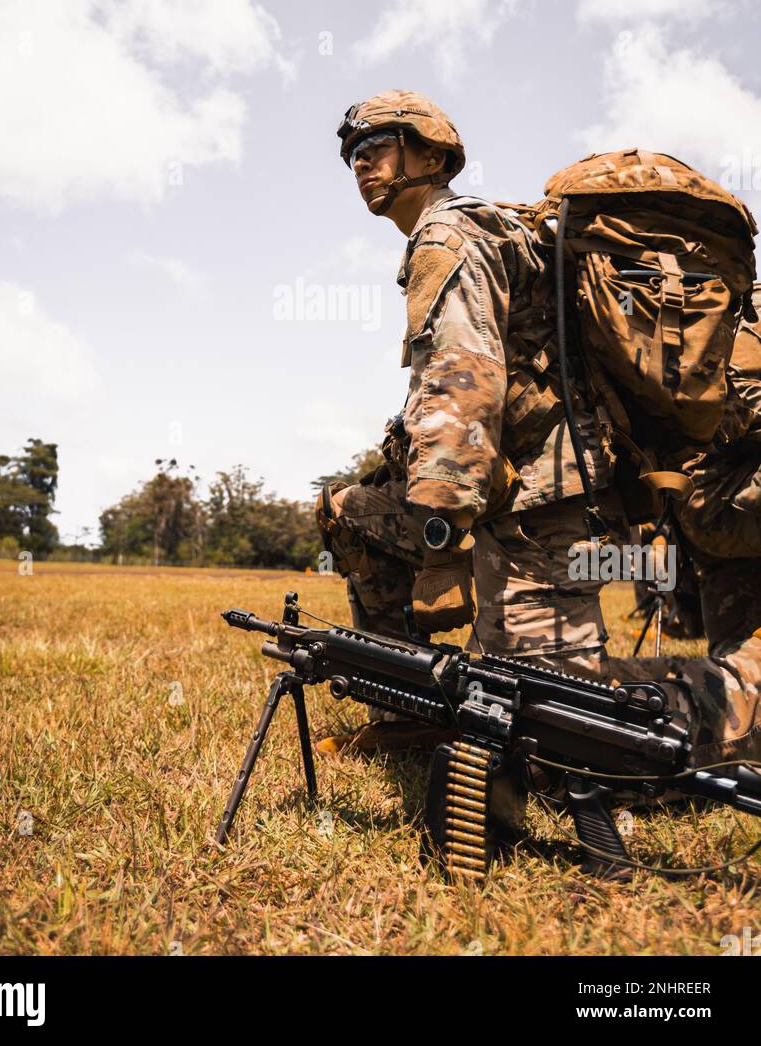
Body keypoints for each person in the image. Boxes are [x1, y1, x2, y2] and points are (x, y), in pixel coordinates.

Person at [315, 90, 761, 788]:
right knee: (354, 514)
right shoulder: (491, 230)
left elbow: (462, 379)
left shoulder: (450, 234)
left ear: (431, 155)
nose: (360, 163)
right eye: (351, 154)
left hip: (552, 498)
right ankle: (416, 710)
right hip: (531, 486)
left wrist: (441, 523)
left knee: (554, 724)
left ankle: (738, 706)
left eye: (377, 145)